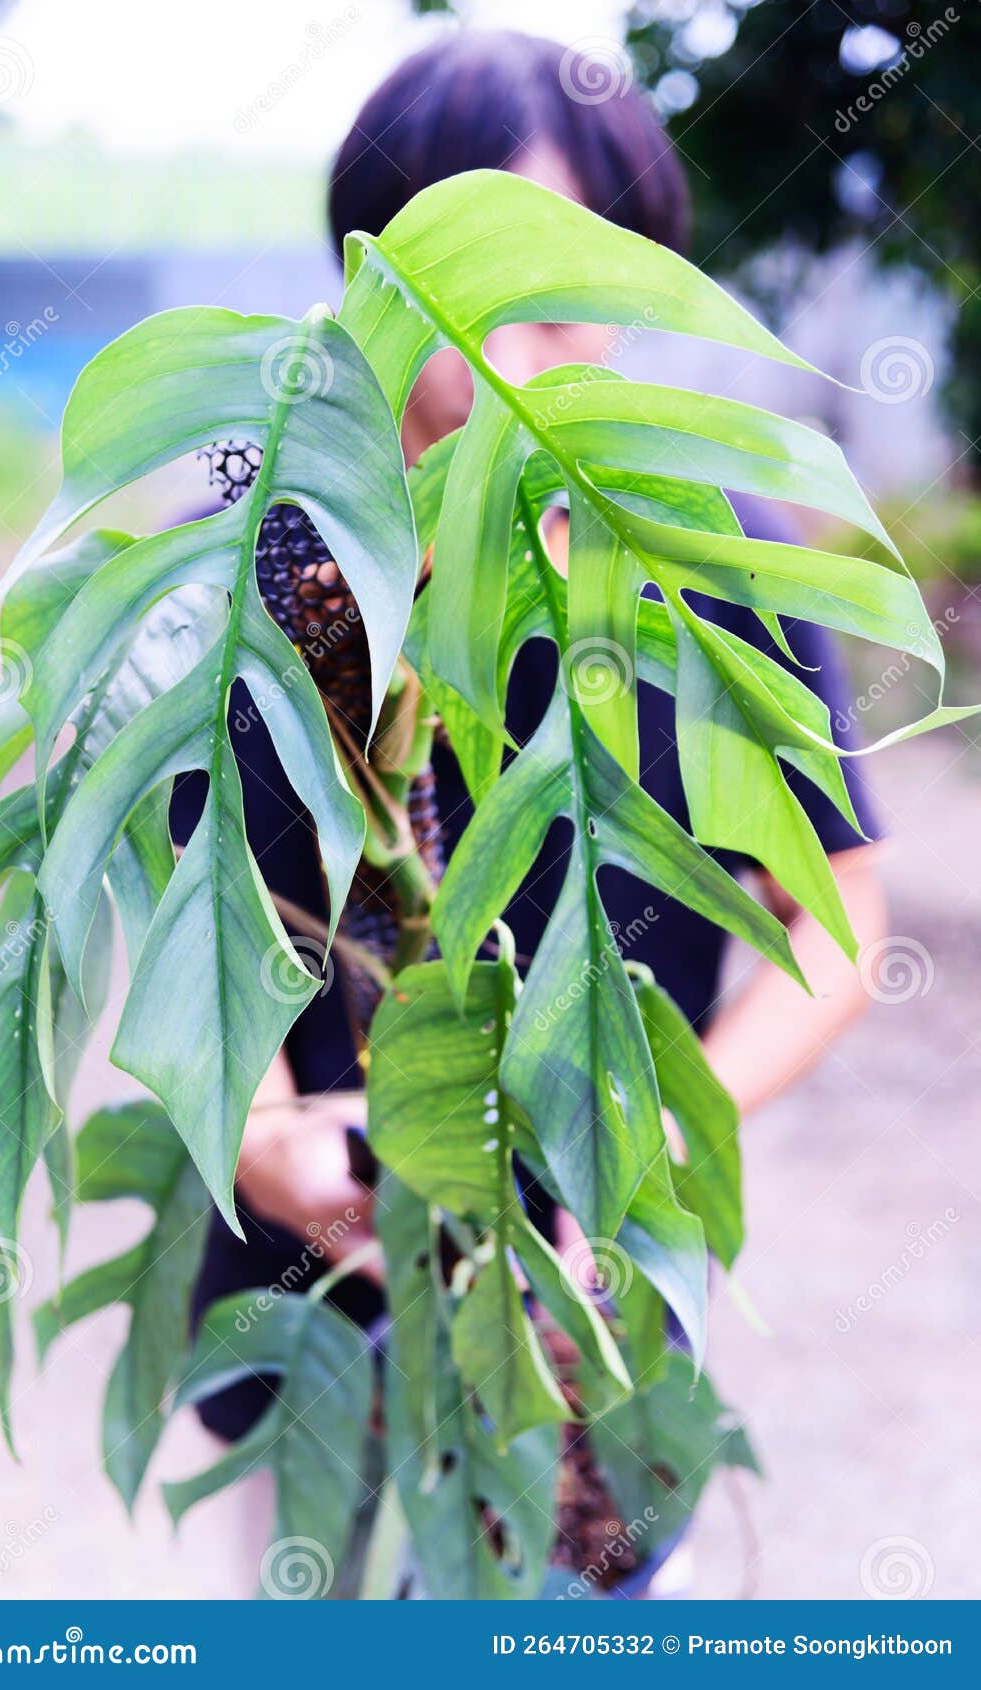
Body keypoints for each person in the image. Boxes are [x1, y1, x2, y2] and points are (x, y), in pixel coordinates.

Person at [171, 29, 888, 1444]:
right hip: (320, 1290)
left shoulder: (705, 545)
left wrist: (661, 1143)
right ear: (382, 267)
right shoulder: (259, 563)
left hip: (590, 1306)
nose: (549, 318)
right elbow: (185, 905)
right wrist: (258, 1139)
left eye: (593, 263)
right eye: (498, 261)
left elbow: (841, 909)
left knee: (589, 1549)